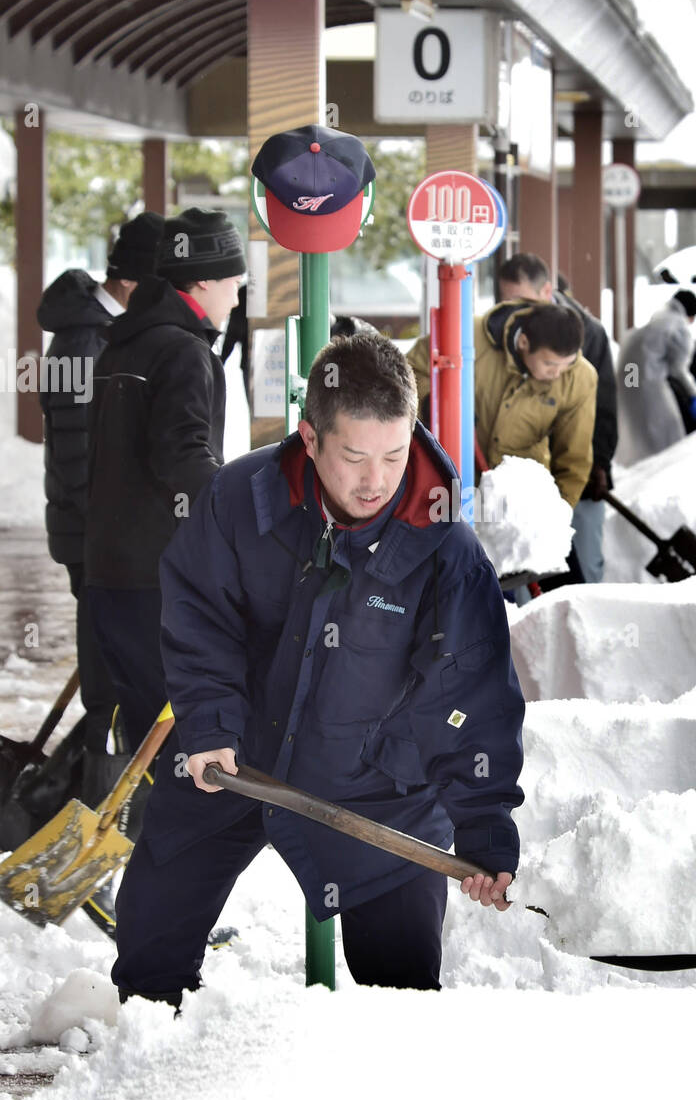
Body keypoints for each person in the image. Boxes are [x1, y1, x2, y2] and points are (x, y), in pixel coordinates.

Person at [110, 331, 525, 1004]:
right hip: (236, 757)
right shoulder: (239, 498)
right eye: (354, 457)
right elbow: (199, 618)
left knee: (403, 987)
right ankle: (153, 1064)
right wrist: (210, 725)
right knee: (150, 952)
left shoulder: (444, 544)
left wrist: (483, 829)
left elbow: (469, 696)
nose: (375, 480)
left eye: (393, 455)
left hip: (375, 784)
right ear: (310, 439)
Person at [85, 207, 246, 835]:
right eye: (234, 279)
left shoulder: (125, 344)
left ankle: (137, 867)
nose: (239, 293)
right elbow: (182, 456)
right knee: (181, 739)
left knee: (146, 725)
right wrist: (241, 502)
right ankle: (162, 882)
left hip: (111, 571)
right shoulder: (182, 352)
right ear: (203, 281)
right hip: (158, 577)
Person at [38, 211, 164, 804]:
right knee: (109, 679)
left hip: (99, 537)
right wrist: (115, 538)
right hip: (92, 539)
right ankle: (97, 806)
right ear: (132, 283)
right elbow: (80, 458)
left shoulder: (99, 334)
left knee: (113, 671)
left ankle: (105, 799)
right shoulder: (87, 342)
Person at [407, 283, 597, 510]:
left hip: (521, 502)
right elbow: (409, 372)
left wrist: (558, 515)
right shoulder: (466, 337)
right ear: (524, 343)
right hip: (451, 484)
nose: (556, 374)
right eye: (549, 364)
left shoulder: (579, 377)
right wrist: (435, 404)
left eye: (565, 366)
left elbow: (574, 457)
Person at [491, 254, 616, 583]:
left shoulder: (589, 333)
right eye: (507, 301)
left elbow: (603, 406)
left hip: (580, 472)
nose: (513, 310)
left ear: (546, 291)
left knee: (582, 565)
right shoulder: (504, 333)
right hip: (517, 484)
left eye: (523, 301)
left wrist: (599, 463)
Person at [615, 288, 696, 466]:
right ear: (691, 315)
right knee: (668, 434)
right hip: (646, 380)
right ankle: (661, 473)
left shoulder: (658, 318)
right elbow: (678, 368)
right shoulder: (679, 326)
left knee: (636, 430)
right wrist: (694, 392)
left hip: (628, 377)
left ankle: (635, 468)